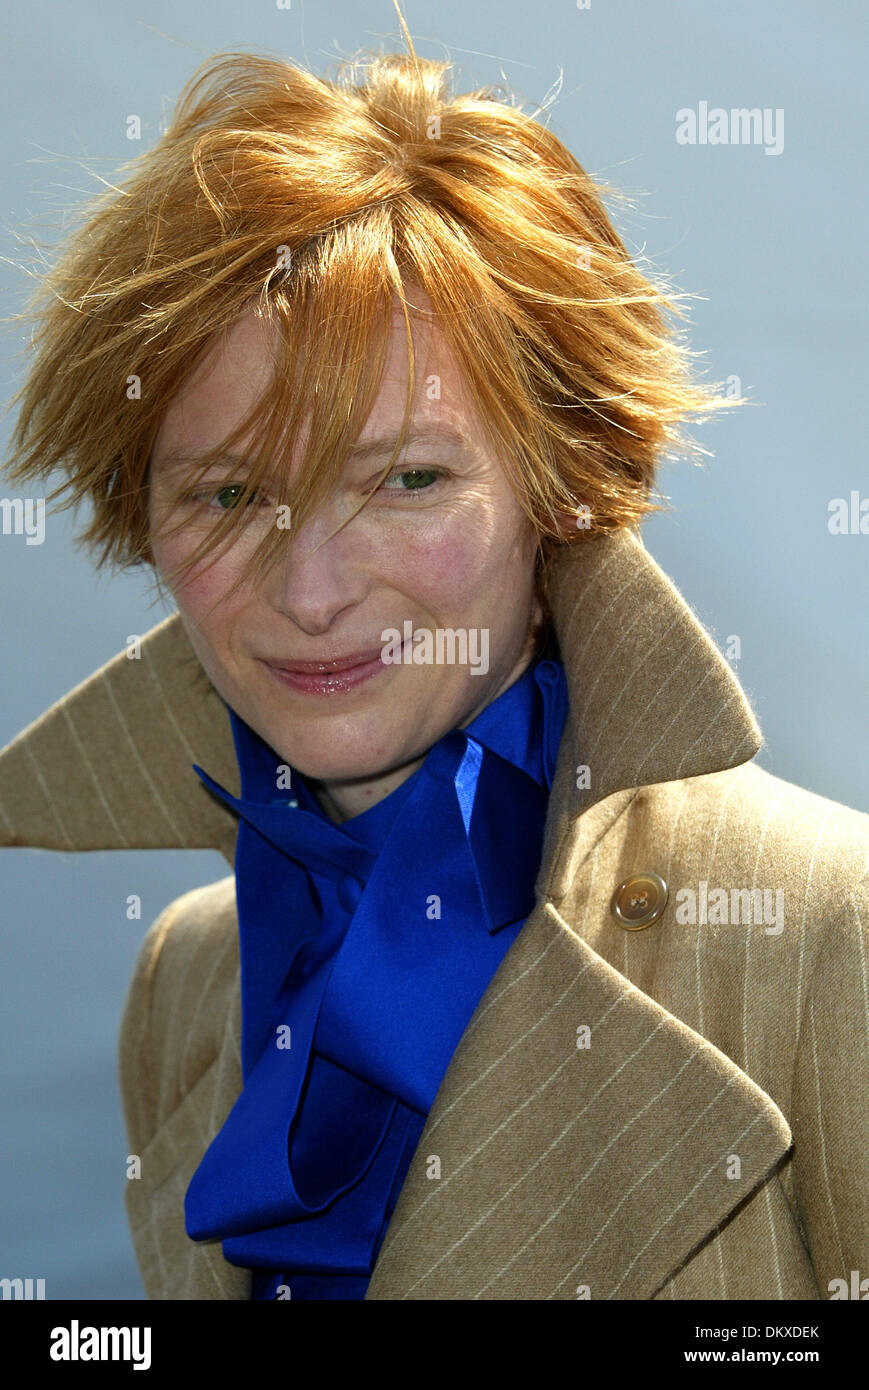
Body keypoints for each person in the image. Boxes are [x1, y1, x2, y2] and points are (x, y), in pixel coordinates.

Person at [2, 35, 867, 1302]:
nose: (309, 592)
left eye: (407, 478)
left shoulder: (824, 934)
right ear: (143, 520)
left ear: (564, 483)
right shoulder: (188, 980)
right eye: (228, 493)